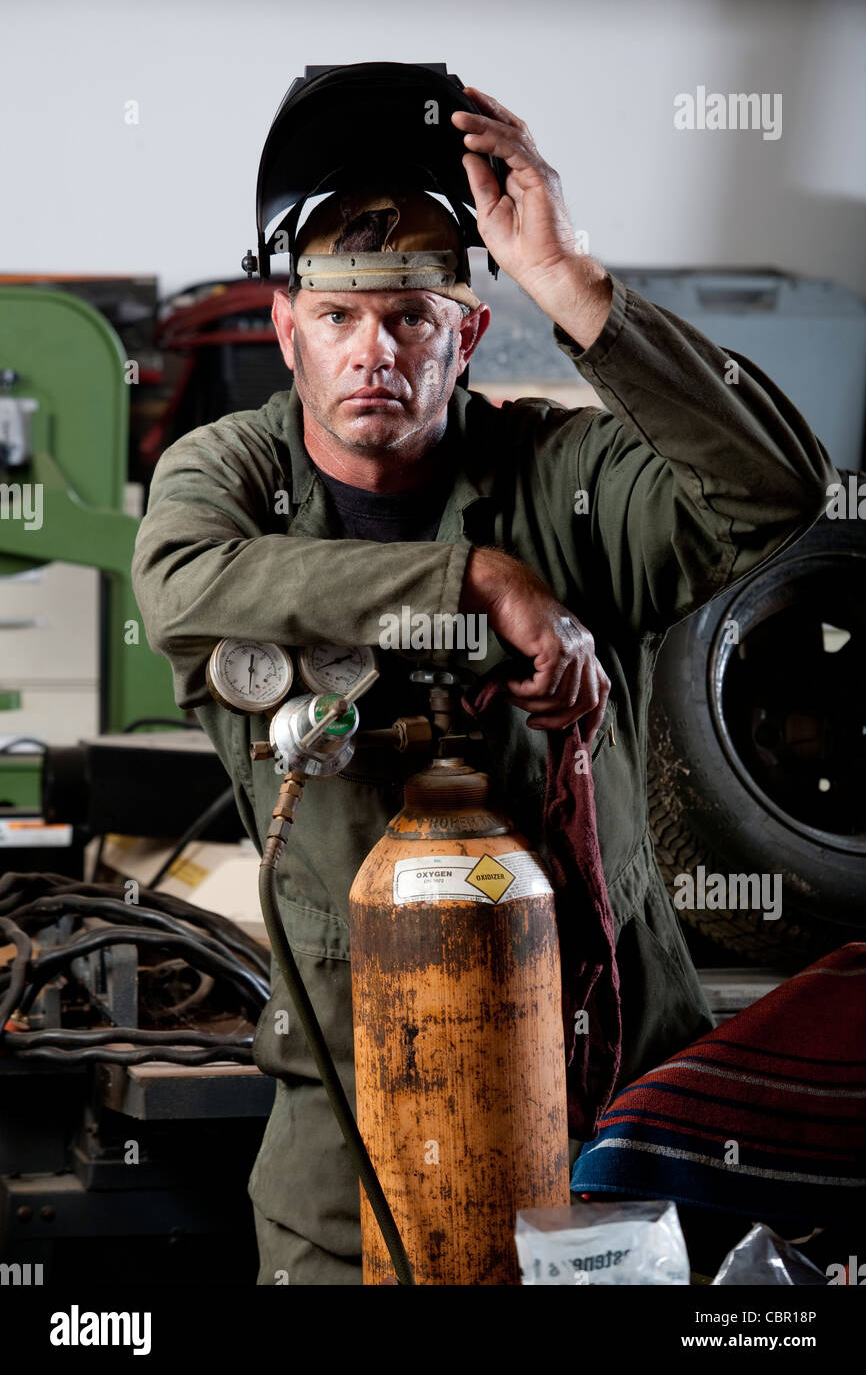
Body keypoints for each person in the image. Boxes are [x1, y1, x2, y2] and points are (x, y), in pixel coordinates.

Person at [131, 85, 838, 1285]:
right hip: (355, 1128)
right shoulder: (235, 476)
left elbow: (772, 489)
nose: (374, 351)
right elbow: (184, 586)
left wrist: (564, 277)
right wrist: (473, 581)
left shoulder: (555, 473)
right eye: (339, 314)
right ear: (285, 326)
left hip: (609, 1110)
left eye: (411, 316)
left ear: (463, 336)